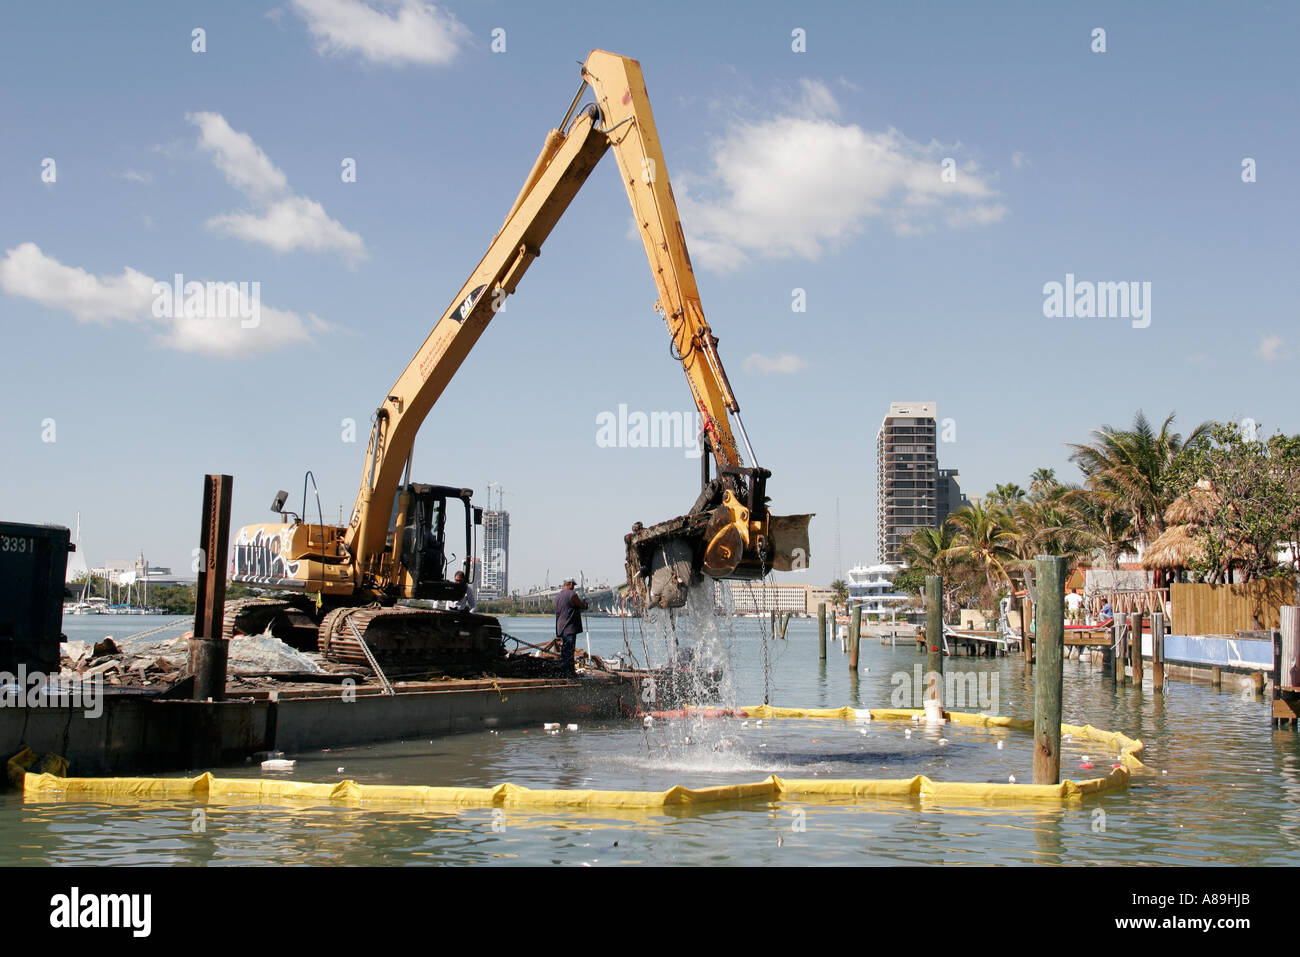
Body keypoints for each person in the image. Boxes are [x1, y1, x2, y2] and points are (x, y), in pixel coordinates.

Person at [553, 578, 588, 674]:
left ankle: (565, 670)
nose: (574, 587)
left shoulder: (559, 595)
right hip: (569, 626)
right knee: (569, 650)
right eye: (573, 585)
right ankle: (568, 672)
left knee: (565, 649)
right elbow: (580, 605)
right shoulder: (572, 594)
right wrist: (585, 605)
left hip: (560, 627)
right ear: (570, 584)